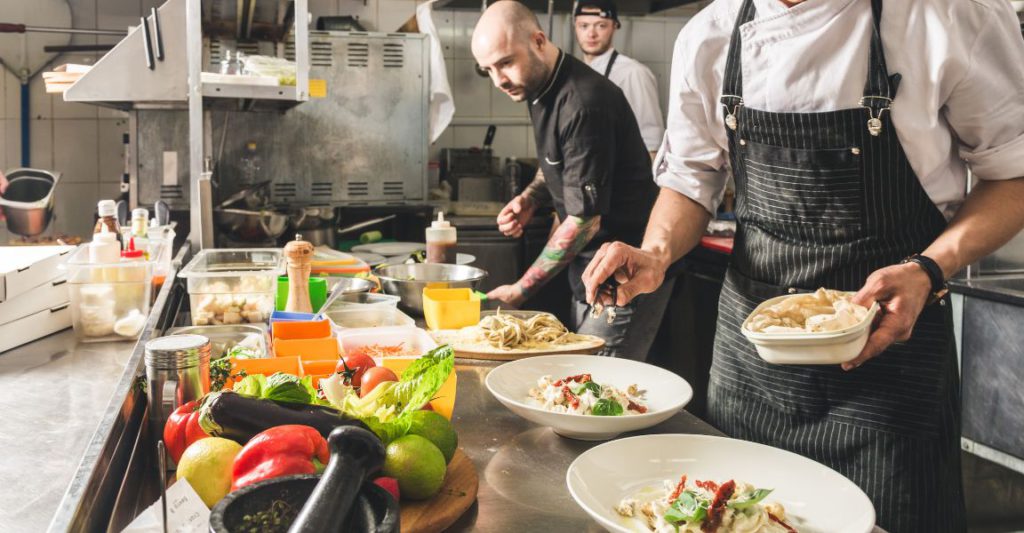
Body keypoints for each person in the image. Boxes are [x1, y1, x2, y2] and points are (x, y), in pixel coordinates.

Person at [582, 0, 1024, 531]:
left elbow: (1013, 176)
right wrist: (655, 252)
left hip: (888, 364)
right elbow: (690, 178)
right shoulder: (711, 34)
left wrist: (930, 267)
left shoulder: (947, 16)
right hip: (751, 369)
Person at [472, 0, 670, 360]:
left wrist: (520, 289)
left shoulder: (583, 103)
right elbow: (555, 162)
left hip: (624, 274)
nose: (499, 80)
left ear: (538, 40)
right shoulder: (537, 88)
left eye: (505, 63)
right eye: (487, 69)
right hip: (587, 270)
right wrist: (531, 198)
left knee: (598, 389)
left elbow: (584, 221)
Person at [573, 0, 664, 154]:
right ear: (575, 26)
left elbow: (652, 144)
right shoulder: (574, 74)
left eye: (601, 25)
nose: (591, 34)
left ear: (614, 26)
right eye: (584, 26)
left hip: (620, 175)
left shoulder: (633, 73)